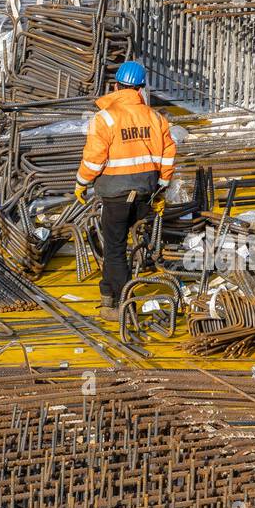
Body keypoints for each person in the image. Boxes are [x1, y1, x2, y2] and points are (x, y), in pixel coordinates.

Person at [73, 60, 177, 321]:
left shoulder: (105, 118)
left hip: (116, 195)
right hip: (145, 194)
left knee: (115, 248)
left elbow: (94, 159)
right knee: (117, 246)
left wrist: (82, 183)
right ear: (141, 89)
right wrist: (162, 188)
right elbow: (167, 157)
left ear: (116, 86)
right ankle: (107, 296)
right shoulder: (156, 118)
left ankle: (123, 305)